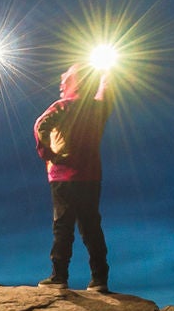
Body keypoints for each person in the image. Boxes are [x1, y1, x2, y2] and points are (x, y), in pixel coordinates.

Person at [34, 62, 114, 292]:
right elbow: (106, 91)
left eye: (66, 78)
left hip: (63, 176)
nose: (61, 82)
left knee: (62, 226)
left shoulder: (61, 107)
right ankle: (99, 279)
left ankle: (59, 277)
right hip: (91, 176)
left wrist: (47, 155)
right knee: (91, 227)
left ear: (78, 82)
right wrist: (106, 72)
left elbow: (40, 126)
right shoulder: (98, 108)